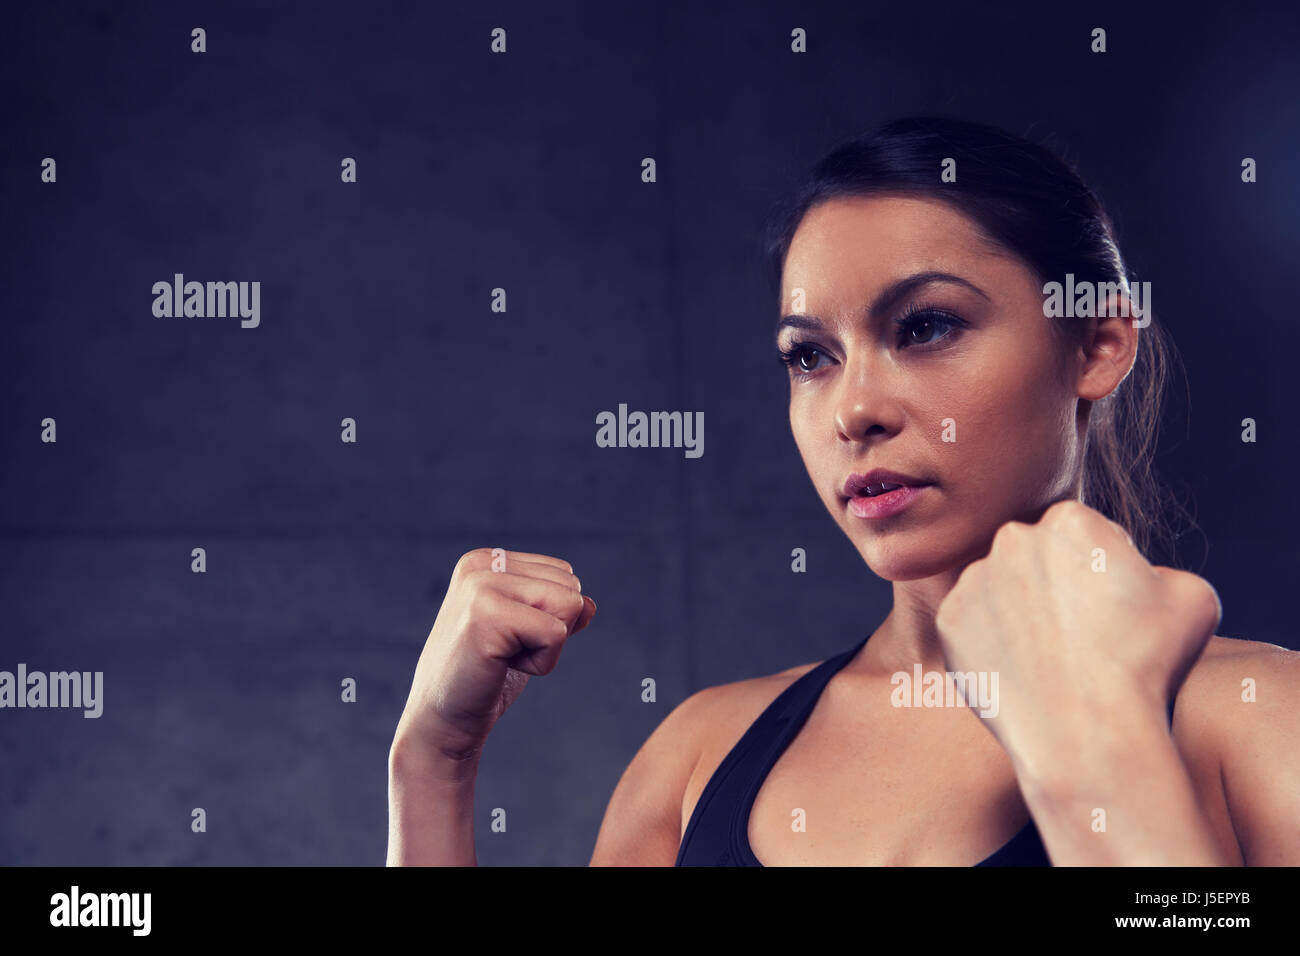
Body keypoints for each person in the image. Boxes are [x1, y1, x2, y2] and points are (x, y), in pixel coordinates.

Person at [386, 116, 1299, 867]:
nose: (852, 409)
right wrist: (434, 762)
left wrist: (1099, 755)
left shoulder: (1259, 717)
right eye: (811, 357)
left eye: (928, 325)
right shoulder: (701, 755)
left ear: (1097, 344)